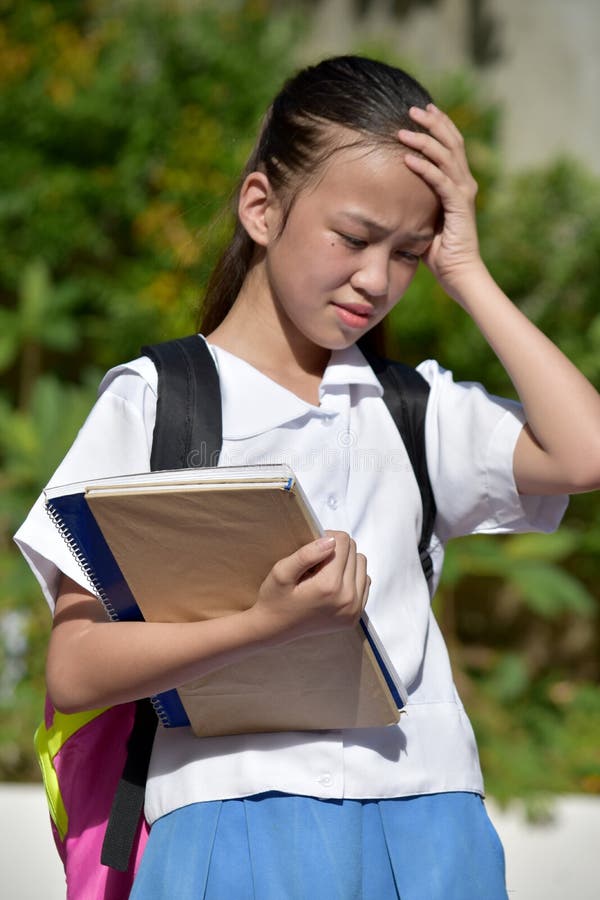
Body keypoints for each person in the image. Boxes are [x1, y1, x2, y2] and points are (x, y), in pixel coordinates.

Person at [15, 56, 600, 899]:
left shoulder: (413, 408)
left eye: (408, 251)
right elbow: (75, 666)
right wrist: (264, 625)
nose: (376, 279)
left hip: (430, 816)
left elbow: (583, 455)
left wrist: (466, 270)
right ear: (261, 206)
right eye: (354, 237)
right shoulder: (157, 402)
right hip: (229, 817)